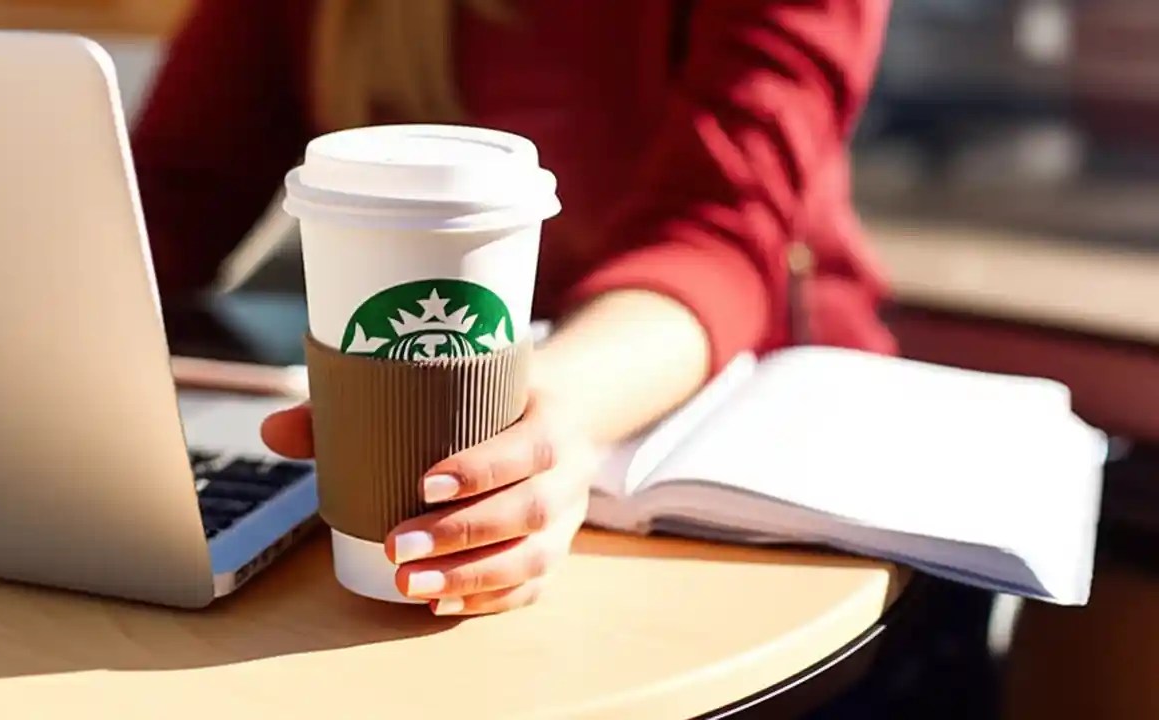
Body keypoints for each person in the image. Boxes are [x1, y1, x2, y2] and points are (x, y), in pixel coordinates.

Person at [132, 0, 897, 616]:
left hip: (777, 492)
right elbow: (171, 194)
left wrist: (547, 412)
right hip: (505, 464)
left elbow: (718, 236)